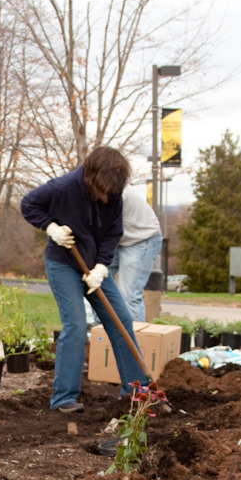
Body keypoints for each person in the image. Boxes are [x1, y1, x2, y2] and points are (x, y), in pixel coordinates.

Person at [20, 146, 144, 412]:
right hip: (63, 263)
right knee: (76, 324)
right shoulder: (63, 187)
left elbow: (113, 233)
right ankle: (64, 397)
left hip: (94, 266)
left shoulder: (114, 194)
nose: (109, 196)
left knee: (120, 319)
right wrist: (51, 228)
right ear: (93, 177)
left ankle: (137, 391)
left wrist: (101, 268)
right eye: (106, 190)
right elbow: (28, 204)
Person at [109, 187, 163, 323]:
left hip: (142, 238)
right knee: (99, 286)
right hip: (118, 237)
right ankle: (101, 335)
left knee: (129, 295)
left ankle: (135, 341)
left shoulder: (114, 192)